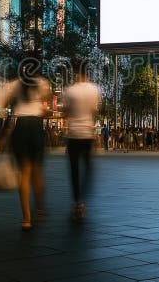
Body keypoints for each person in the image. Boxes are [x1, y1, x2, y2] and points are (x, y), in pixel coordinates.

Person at [1, 60, 51, 231]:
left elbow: (3, 105)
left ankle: (26, 219)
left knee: (24, 173)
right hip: (35, 126)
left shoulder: (14, 84)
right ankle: (39, 208)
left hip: (20, 126)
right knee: (37, 170)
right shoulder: (43, 83)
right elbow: (46, 109)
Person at [63, 70, 101, 222]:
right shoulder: (94, 89)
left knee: (74, 170)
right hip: (87, 134)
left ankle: (77, 202)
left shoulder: (69, 90)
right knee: (88, 168)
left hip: (73, 134)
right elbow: (94, 111)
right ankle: (81, 201)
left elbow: (66, 111)